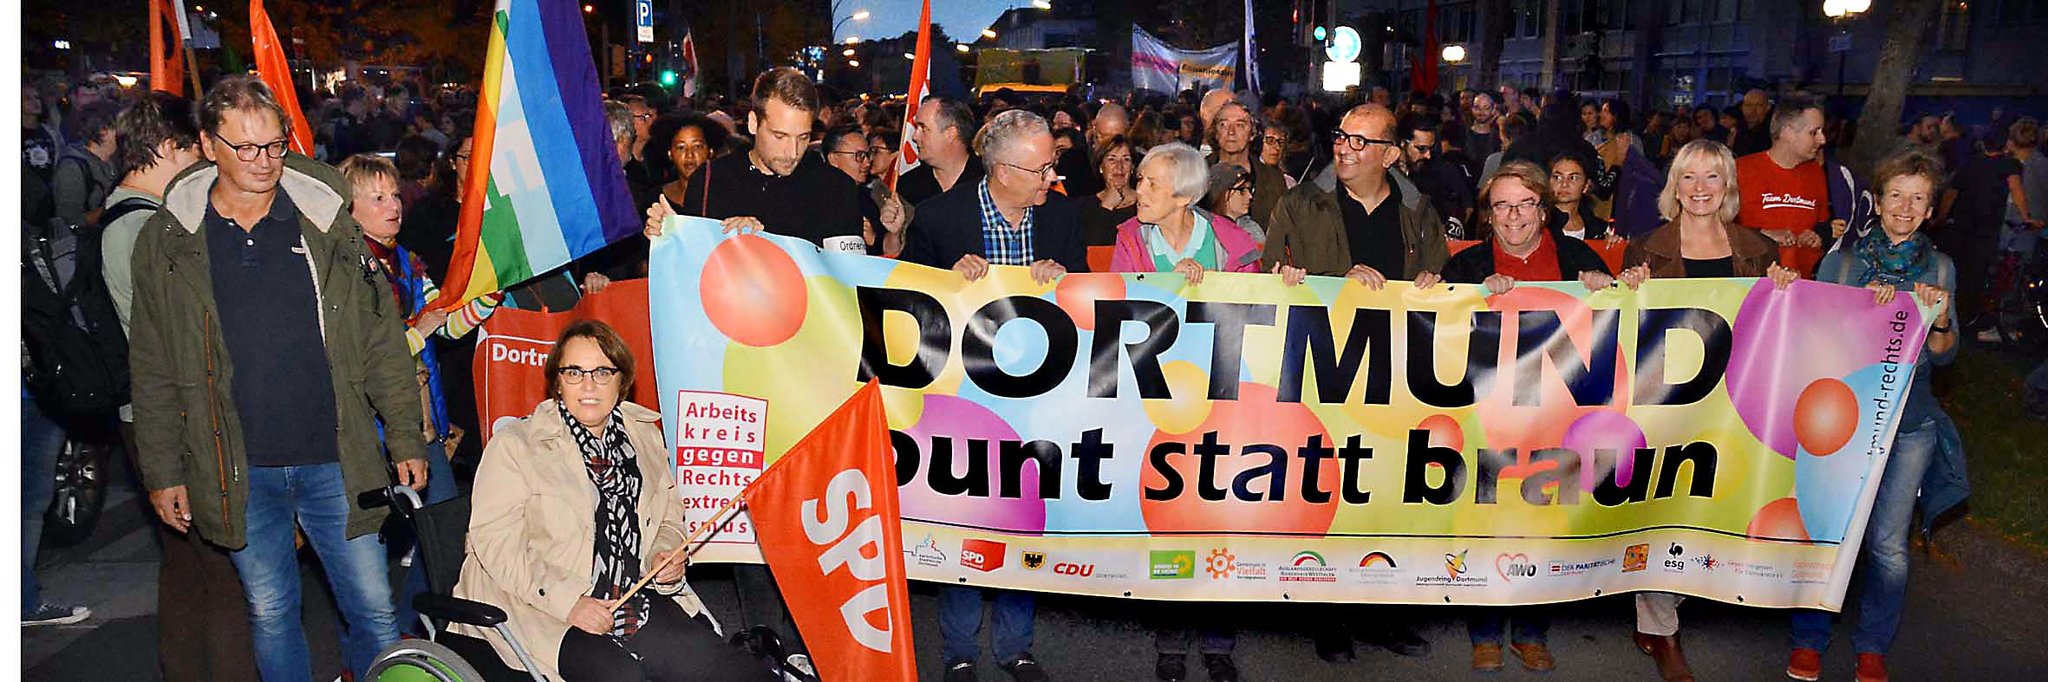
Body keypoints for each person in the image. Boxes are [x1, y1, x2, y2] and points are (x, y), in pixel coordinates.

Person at [128, 75, 428, 682]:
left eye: (274, 145)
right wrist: (162, 471)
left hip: (337, 458)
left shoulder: (324, 220)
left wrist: (404, 436)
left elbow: (379, 339)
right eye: (246, 148)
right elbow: (154, 365)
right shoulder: (168, 240)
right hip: (238, 465)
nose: (265, 161)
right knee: (270, 612)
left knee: (372, 609)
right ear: (209, 145)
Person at [452, 320, 778, 682]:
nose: (589, 385)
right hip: (535, 604)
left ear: (621, 382)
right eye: (574, 372)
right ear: (557, 382)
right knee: (624, 676)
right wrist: (570, 602)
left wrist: (664, 553)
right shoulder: (516, 445)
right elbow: (496, 543)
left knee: (729, 668)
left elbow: (669, 515)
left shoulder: (642, 437)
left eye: (603, 372)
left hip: (628, 595)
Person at [901, 109, 1086, 682]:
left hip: (1038, 398)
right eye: (1041, 168)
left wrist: (1066, 280)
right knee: (964, 516)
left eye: (1052, 165)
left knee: (1023, 516)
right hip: (961, 398)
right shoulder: (938, 219)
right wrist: (944, 278)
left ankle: (1016, 647)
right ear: (1003, 170)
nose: (1051, 177)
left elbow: (1088, 303)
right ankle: (959, 650)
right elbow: (906, 301)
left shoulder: (1063, 220)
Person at [91, 90, 256, 677]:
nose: (208, 167)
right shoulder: (143, 230)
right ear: (167, 148)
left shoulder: (120, 217)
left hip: (151, 417)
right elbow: (184, 339)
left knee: (189, 571)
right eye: (197, 151)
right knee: (230, 571)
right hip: (177, 419)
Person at [1621, 140, 1797, 682]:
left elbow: (1780, 327)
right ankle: (1663, 627)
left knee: (1709, 503)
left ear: (1728, 187)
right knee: (1661, 505)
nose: (1700, 189)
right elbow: (1624, 333)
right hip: (1665, 403)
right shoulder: (1646, 249)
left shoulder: (1758, 248)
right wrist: (1626, 292)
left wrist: (1786, 289)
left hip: (1732, 407)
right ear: (1674, 186)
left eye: (1712, 178)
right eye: (1689, 177)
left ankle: (1667, 608)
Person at [1785, 149, 1959, 682]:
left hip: (1910, 425)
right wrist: (1862, 309)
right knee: (1828, 531)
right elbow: (1813, 341)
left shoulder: (1941, 266)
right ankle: (1809, 639)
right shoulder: (1843, 262)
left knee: (1887, 545)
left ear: (1930, 209)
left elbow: (1947, 354)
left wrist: (1939, 318)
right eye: (1896, 196)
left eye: (1918, 198)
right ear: (1877, 202)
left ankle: (1872, 647)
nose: (1906, 208)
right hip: (1847, 423)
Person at [1109, 145, 1260, 682]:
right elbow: (1118, 311)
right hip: (1159, 407)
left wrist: (1228, 283)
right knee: (1170, 519)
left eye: (1149, 183)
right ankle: (1170, 638)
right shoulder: (1130, 241)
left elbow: (1262, 319)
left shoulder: (1231, 246)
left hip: (1224, 404)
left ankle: (1219, 640)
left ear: (1186, 196)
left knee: (1220, 519)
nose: (1137, 190)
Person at [1262, 103, 1450, 290]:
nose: (1343, 149)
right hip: (1323, 320)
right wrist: (1339, 288)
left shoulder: (1419, 213)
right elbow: (1269, 283)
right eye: (1340, 137)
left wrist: (1433, 284)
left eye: (1359, 141)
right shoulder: (1297, 205)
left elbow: (1445, 284)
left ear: (1389, 155)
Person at [1938, 125, 2025, 333]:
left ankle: (1951, 313)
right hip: (1988, 229)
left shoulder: (1969, 164)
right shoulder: (2009, 165)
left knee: (1959, 271)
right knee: (1977, 274)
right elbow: (2016, 188)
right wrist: (2026, 216)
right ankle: (1967, 317)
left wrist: (1940, 218)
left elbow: (1951, 194)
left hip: (1963, 225)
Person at [1734, 92, 1831, 250]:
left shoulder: (1816, 172)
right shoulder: (1739, 170)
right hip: (1754, 272)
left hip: (1803, 272)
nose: (1822, 140)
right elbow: (1717, 227)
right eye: (1814, 133)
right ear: (1788, 133)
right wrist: (1762, 235)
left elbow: (1823, 223)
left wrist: (1816, 236)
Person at [821, 122, 908, 256]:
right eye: (859, 156)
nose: (867, 163)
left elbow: (888, 252)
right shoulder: (814, 199)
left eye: (868, 155)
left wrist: (890, 233)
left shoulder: (869, 199)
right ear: (834, 158)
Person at [1206, 101, 1285, 226]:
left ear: (1252, 134)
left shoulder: (1273, 180)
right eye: (1224, 124)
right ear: (1216, 132)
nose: (1231, 132)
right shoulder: (1198, 173)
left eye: (1240, 125)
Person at [899, 95, 984, 207]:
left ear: (951, 133)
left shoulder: (987, 180)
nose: (915, 136)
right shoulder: (908, 185)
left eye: (923, 128)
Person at [50, 101, 120, 226]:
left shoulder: (117, 160)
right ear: (103, 131)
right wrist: (112, 206)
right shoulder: (71, 168)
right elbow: (69, 222)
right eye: (121, 126)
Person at [1082, 135, 1140, 246]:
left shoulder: (1145, 203)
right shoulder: (1084, 207)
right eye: (1112, 159)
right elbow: (1091, 245)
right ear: (1101, 167)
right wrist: (1106, 207)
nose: (1119, 166)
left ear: (1132, 167)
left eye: (1126, 159)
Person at [1549, 152, 1611, 240]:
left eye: (1573, 178)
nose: (1564, 184)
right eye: (1557, 177)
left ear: (1586, 186)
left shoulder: (1599, 228)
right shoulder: (1539, 224)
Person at [1204, 163, 1266, 250]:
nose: (1250, 196)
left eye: (1250, 189)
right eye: (1242, 190)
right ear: (1223, 193)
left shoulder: (1252, 230)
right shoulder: (1202, 228)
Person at [1732, 89, 1773, 156]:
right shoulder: (1737, 129)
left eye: (1758, 105)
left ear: (1767, 107)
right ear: (1742, 107)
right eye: (1748, 105)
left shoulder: (1774, 131)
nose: (1752, 110)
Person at [1466, 92, 1503, 162]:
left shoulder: (1498, 137)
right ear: (1471, 109)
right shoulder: (1462, 134)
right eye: (1477, 107)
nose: (1481, 112)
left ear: (1493, 109)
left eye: (1486, 108)